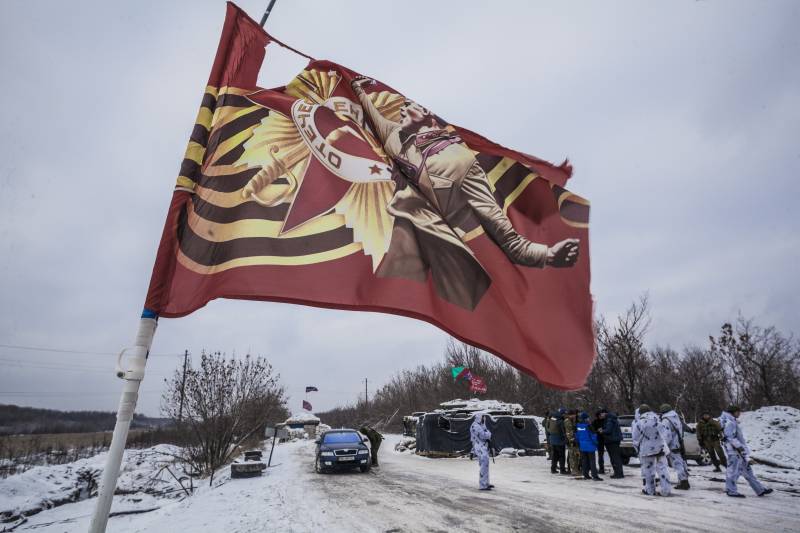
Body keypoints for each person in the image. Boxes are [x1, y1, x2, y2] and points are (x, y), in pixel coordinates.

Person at [350, 76, 579, 310]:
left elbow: (506, 236)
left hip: (444, 261)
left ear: (428, 116)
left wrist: (548, 254)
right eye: (403, 107)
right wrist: (355, 87)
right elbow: (373, 117)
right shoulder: (397, 138)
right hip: (399, 252)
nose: (404, 109)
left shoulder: (461, 160)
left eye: (411, 106)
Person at [719, 405, 773, 498]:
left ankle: (759, 489)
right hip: (734, 452)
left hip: (738, 452)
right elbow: (730, 438)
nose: (739, 413)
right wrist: (740, 448)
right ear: (733, 412)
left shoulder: (731, 421)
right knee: (733, 471)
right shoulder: (729, 423)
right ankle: (731, 490)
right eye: (738, 411)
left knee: (748, 471)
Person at [632, 404, 672, 496]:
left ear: (641, 413)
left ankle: (650, 490)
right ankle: (666, 490)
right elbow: (666, 433)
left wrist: (637, 449)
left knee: (649, 471)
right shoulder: (658, 420)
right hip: (660, 448)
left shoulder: (639, 423)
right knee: (663, 469)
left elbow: (635, 438)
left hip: (646, 450)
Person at [659, 404, 690, 490]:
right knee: (681, 462)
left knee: (677, 464)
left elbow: (667, 436)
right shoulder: (676, 418)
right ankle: (684, 480)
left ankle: (684, 482)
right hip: (679, 443)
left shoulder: (666, 420)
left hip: (672, 445)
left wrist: (663, 446)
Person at [576, 412, 603, 481]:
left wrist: (579, 443)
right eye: (588, 418)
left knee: (584, 461)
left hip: (582, 446)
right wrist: (596, 443)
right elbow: (593, 436)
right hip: (590, 446)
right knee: (592, 461)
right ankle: (595, 476)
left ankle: (586, 475)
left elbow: (577, 436)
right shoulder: (588, 426)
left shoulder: (578, 426)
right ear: (585, 419)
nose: (589, 419)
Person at [470, 412, 494, 490]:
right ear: (479, 417)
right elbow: (484, 435)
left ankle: (486, 483)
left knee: (485, 465)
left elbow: (486, 432)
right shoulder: (475, 426)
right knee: (484, 465)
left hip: (482, 447)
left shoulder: (480, 425)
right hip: (479, 447)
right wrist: (489, 434)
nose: (484, 419)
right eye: (483, 417)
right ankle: (483, 485)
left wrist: (487, 433)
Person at [598, 409, 624, 478]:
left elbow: (608, 430)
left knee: (614, 457)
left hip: (612, 441)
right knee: (615, 457)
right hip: (613, 440)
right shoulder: (611, 418)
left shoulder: (609, 419)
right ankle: (618, 473)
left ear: (604, 413)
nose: (600, 416)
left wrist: (602, 431)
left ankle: (619, 474)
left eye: (601, 414)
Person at [547, 408, 568, 475]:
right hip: (559, 440)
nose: (565, 415)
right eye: (565, 414)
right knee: (562, 455)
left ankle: (553, 469)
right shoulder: (560, 421)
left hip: (552, 440)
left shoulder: (552, 418)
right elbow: (563, 431)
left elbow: (548, 428)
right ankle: (562, 470)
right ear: (562, 413)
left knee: (555, 455)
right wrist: (565, 438)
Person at [564, 409, 582, 477]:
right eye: (573, 415)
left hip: (573, 440)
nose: (575, 416)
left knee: (575, 456)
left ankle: (575, 469)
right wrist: (572, 440)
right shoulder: (567, 421)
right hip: (571, 441)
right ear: (570, 415)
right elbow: (569, 432)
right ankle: (574, 470)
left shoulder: (571, 420)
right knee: (573, 456)